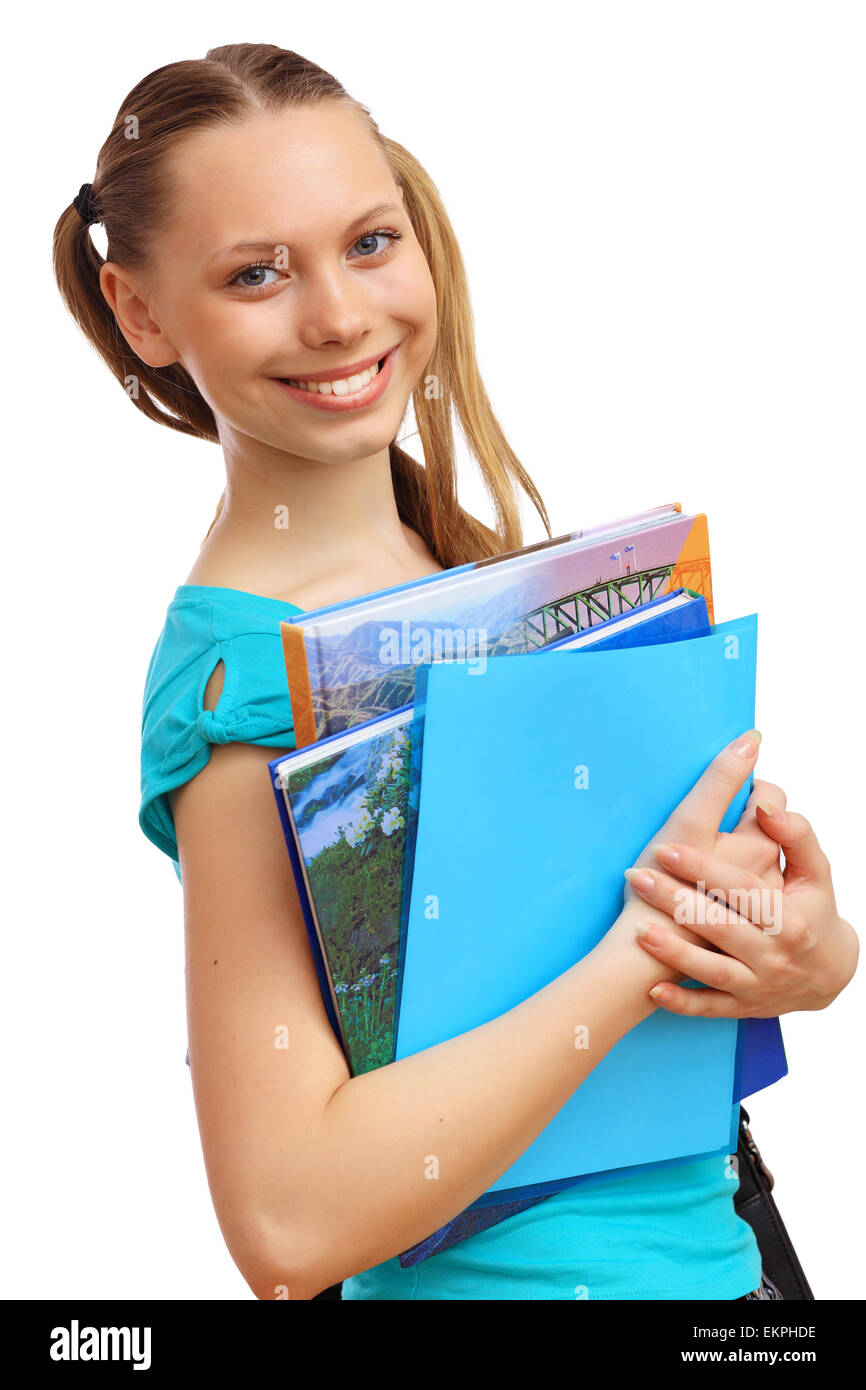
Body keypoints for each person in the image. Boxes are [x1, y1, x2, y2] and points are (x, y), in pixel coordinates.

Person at [53, 42, 858, 1301]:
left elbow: (627, 947)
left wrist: (796, 949)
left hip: (726, 1271)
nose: (334, 316)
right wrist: (635, 960)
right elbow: (285, 1223)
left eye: (368, 242)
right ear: (140, 313)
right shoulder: (245, 689)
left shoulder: (472, 577)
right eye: (256, 273)